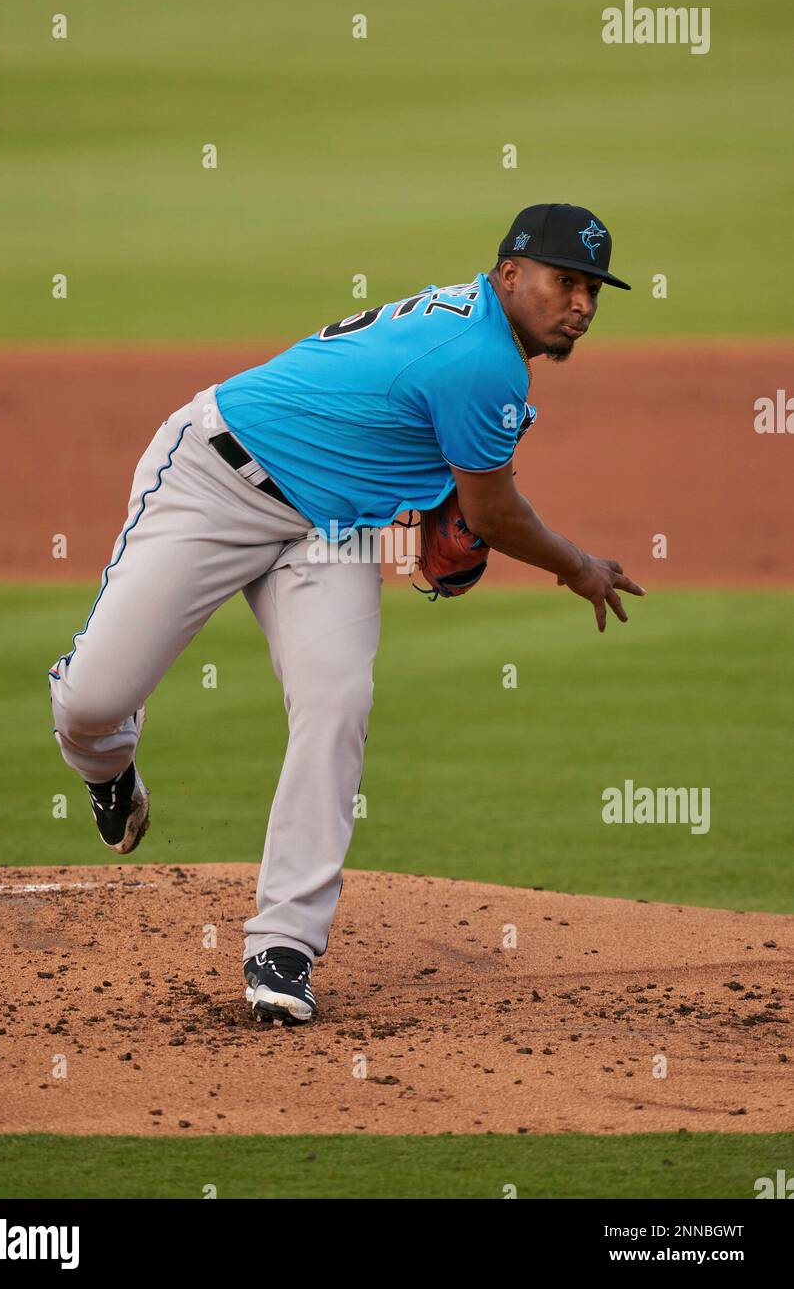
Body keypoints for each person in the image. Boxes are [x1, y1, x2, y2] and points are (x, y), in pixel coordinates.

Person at [48, 202, 645, 1025]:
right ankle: (107, 769)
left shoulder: (482, 337)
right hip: (214, 481)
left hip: (328, 534)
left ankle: (283, 945)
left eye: (592, 290)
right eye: (564, 281)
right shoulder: (484, 361)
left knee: (337, 700)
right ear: (509, 274)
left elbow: (428, 458)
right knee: (92, 703)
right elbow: (495, 514)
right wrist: (580, 568)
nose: (580, 303)